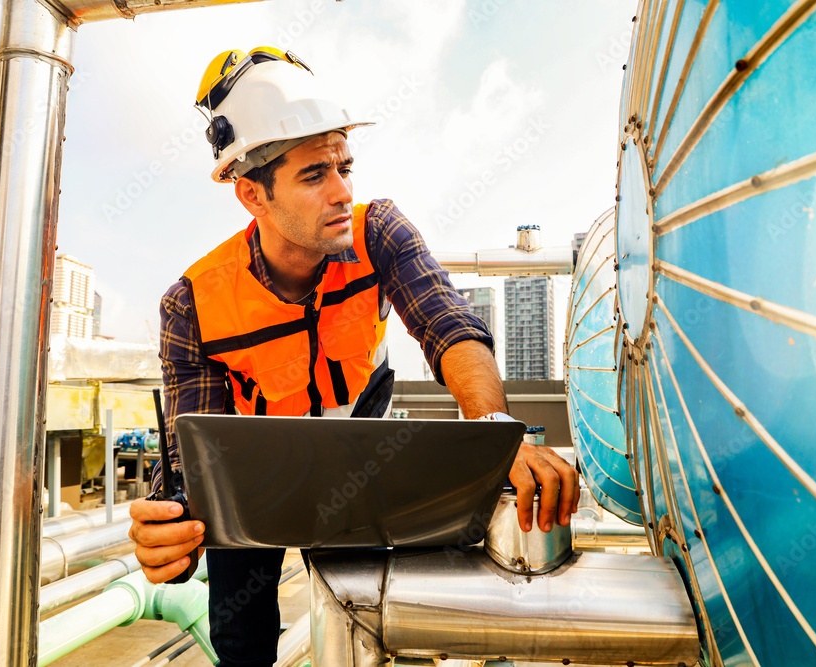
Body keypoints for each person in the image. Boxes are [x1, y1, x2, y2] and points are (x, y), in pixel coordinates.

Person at [128, 46, 579, 667]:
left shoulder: (378, 231)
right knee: (240, 634)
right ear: (253, 196)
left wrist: (497, 434)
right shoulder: (193, 303)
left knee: (372, 605)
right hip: (253, 469)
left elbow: (448, 325)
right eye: (314, 176)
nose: (343, 191)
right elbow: (188, 462)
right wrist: (170, 533)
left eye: (345, 166)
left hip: (356, 445)